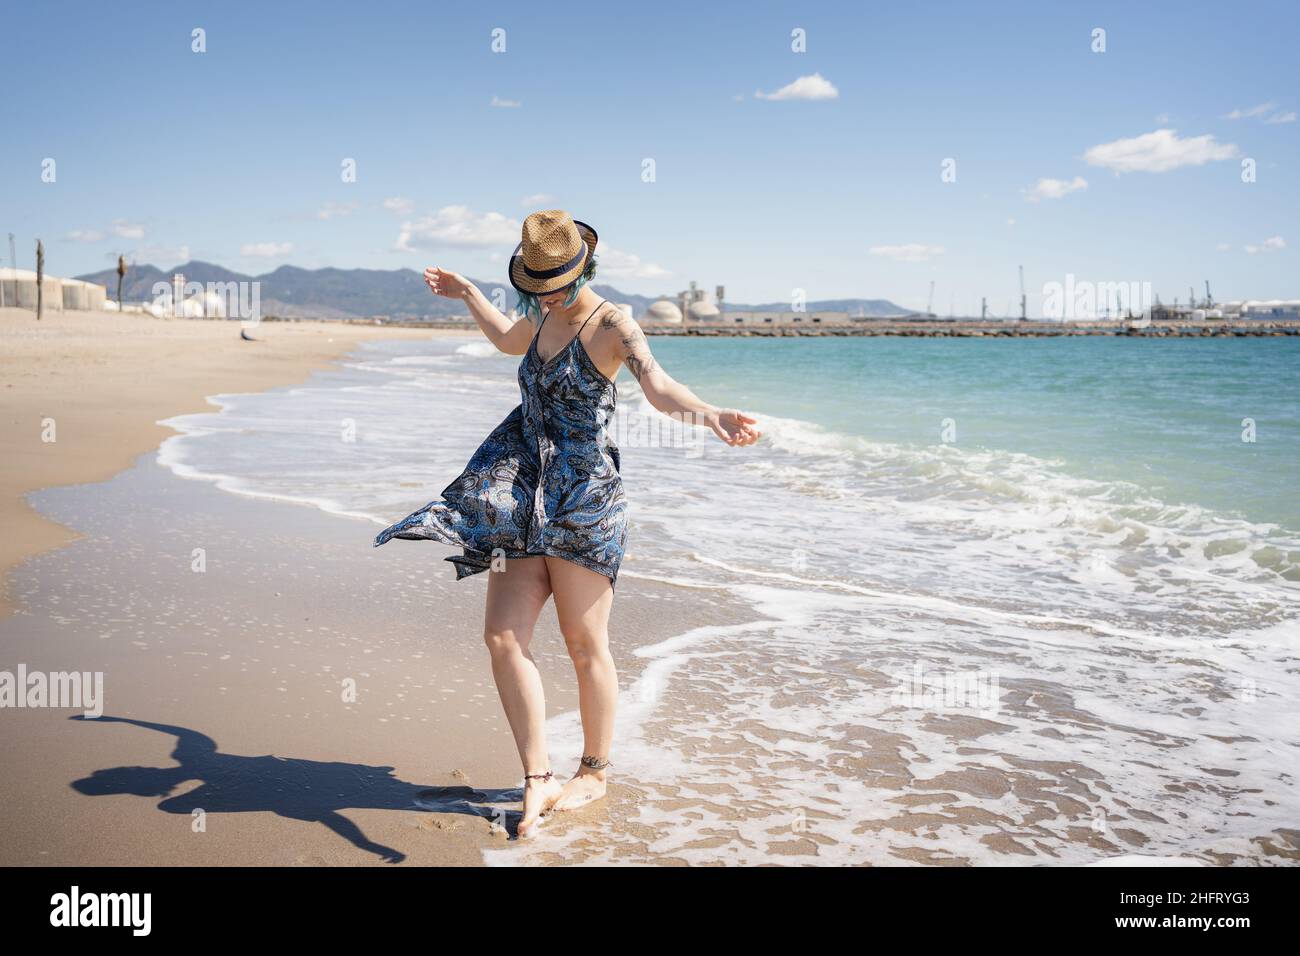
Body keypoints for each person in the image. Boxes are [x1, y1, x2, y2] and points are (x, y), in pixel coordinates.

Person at [374, 210, 760, 835]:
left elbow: (657, 385)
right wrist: (470, 293)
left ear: (584, 266)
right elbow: (507, 341)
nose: (547, 293)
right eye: (537, 283)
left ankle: (594, 773)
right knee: (502, 637)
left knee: (585, 647)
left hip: (585, 499)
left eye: (556, 281)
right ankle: (537, 778)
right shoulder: (543, 314)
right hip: (521, 496)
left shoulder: (614, 323)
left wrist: (711, 414)